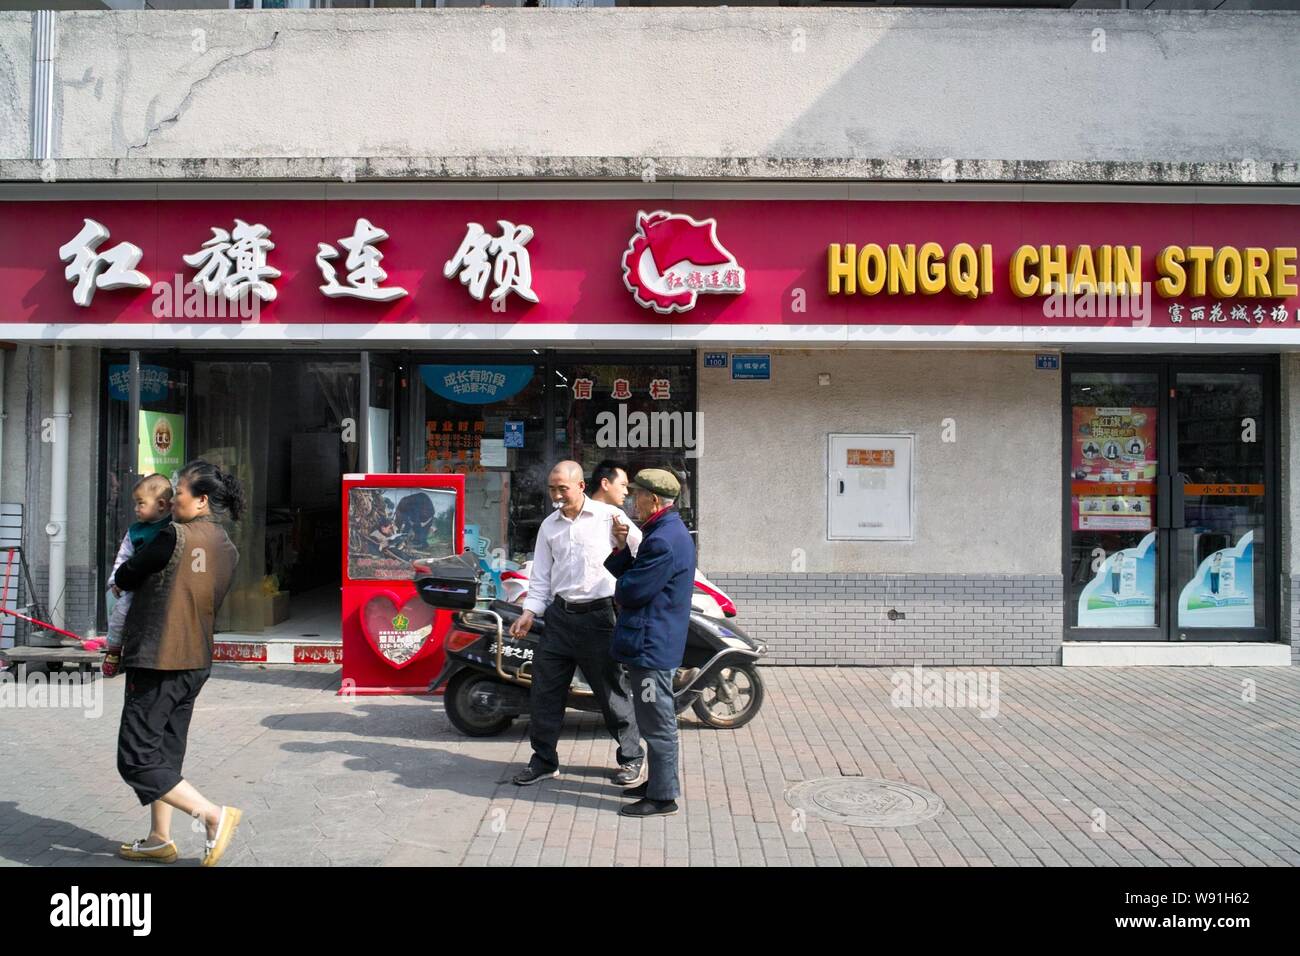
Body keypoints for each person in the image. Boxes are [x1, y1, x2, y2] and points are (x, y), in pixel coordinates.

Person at [107, 460, 244, 866]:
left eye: (179, 492)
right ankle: (159, 837)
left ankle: (213, 816)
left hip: (159, 658)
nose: (172, 499)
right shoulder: (227, 546)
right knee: (165, 751)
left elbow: (127, 575)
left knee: (136, 757)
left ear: (201, 501)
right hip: (196, 660)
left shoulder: (171, 536)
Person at [508, 460, 645, 787]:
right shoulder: (549, 526)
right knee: (545, 691)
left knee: (611, 692)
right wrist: (529, 612)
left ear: (581, 486)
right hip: (558, 618)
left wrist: (623, 544)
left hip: (599, 618)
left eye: (563, 489)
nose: (556, 495)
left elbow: (642, 553)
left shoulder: (608, 517)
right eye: (552, 489)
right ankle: (544, 761)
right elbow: (541, 576)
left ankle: (631, 758)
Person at [605, 468, 695, 818]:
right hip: (653, 641)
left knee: (658, 724)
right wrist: (622, 547)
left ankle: (663, 797)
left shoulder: (662, 540)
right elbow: (635, 576)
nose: (633, 500)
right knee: (652, 718)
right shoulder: (663, 531)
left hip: (651, 645)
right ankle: (657, 783)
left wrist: (619, 588)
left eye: (638, 494)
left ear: (653, 499)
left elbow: (632, 590)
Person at [101, 474, 174, 679]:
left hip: (164, 586)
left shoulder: (174, 526)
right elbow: (123, 556)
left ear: (161, 505)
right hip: (134, 585)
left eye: (141, 503)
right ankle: (114, 649)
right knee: (120, 614)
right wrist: (116, 581)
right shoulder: (135, 532)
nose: (135, 508)